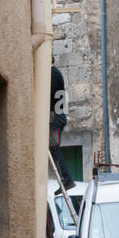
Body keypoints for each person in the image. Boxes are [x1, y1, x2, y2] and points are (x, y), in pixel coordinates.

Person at [49, 56, 74, 187]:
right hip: (57, 116)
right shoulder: (56, 73)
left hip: (55, 117)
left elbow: (49, 94)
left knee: (54, 148)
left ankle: (66, 179)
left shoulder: (53, 73)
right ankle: (65, 179)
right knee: (53, 148)